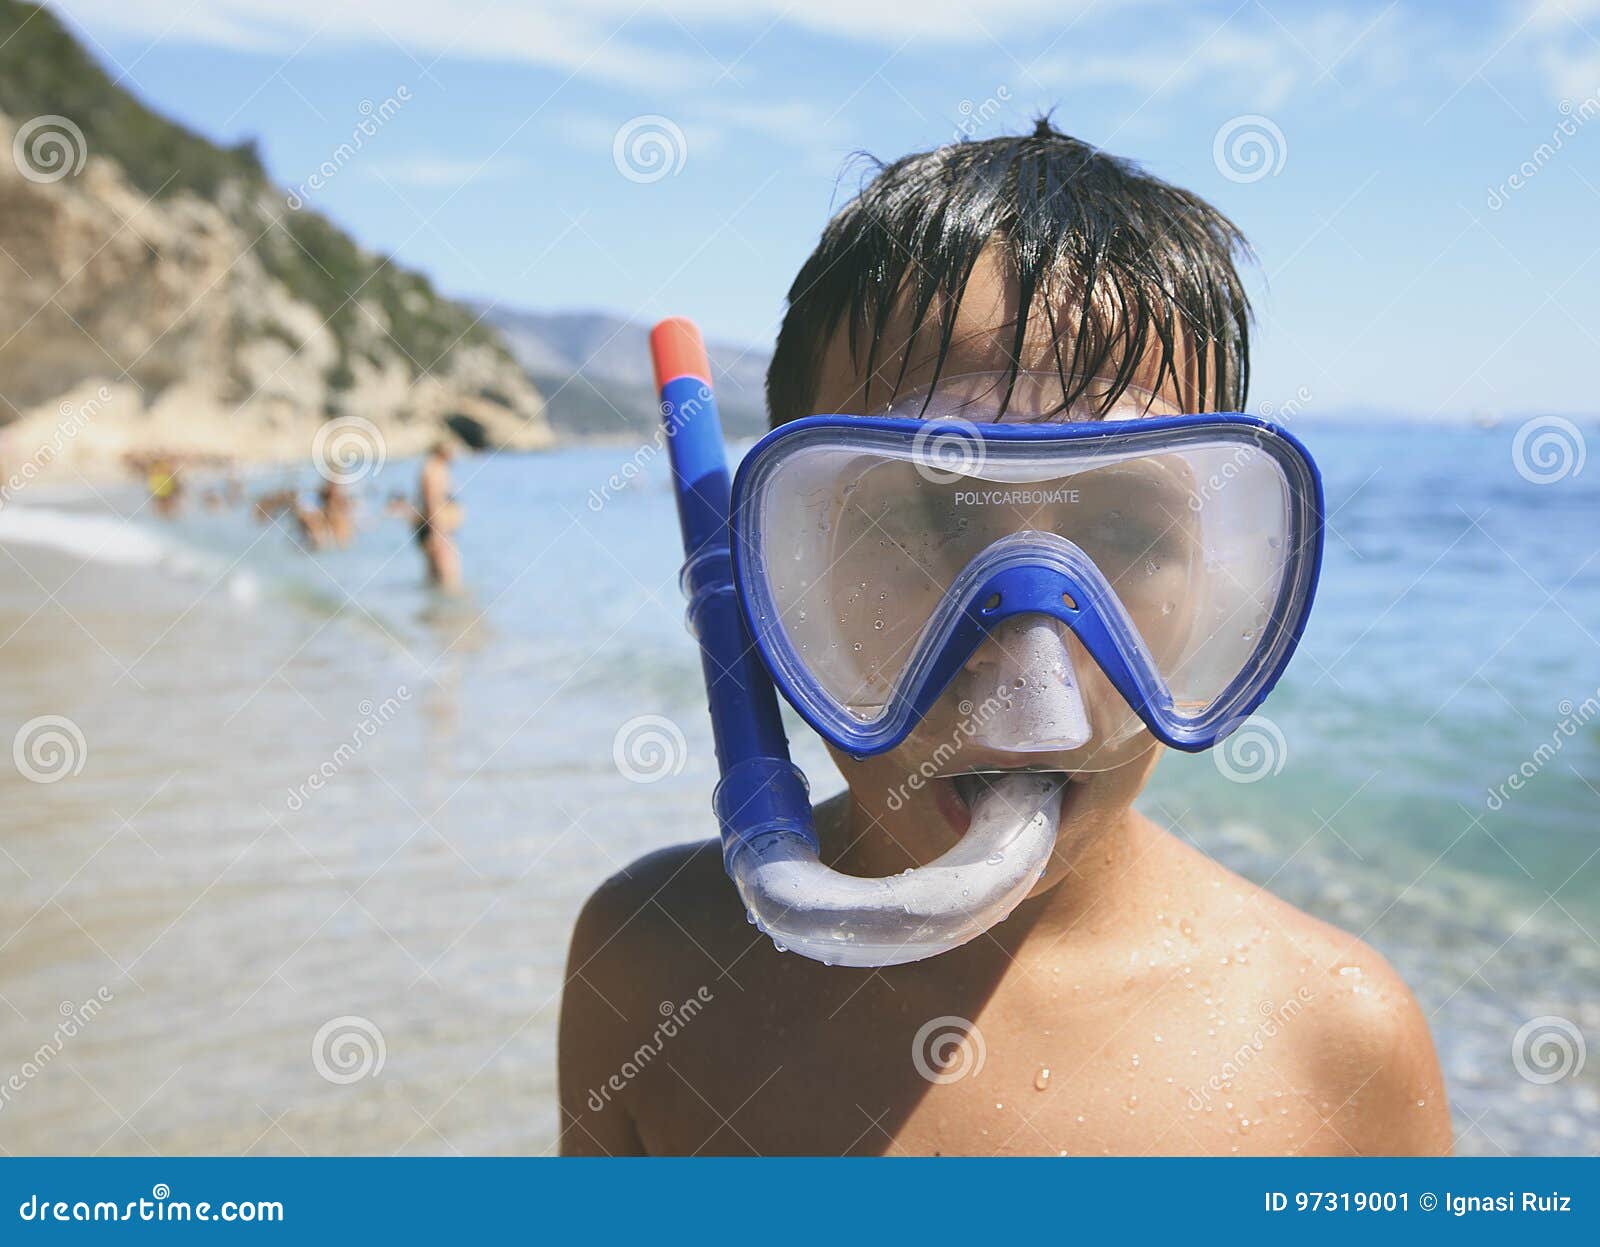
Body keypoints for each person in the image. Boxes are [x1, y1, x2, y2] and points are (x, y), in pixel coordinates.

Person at [557, 121, 1452, 1157]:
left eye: (1121, 530)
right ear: (775, 565)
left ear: (1225, 571)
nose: (1025, 664)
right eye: (922, 515)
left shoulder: (1334, 1046)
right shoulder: (653, 965)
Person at [415, 439, 463, 591]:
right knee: (448, 578)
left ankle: (434, 609)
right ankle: (442, 611)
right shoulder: (433, 470)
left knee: (435, 576)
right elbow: (432, 502)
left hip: (438, 529)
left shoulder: (437, 468)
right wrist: (437, 533)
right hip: (437, 529)